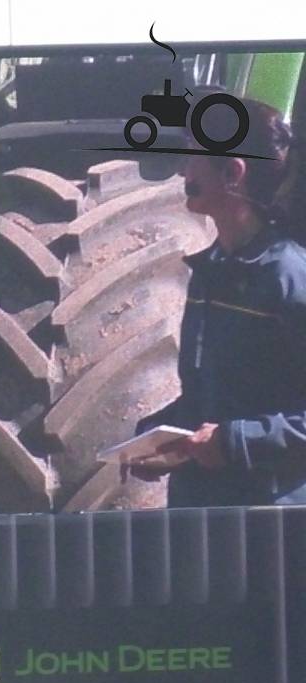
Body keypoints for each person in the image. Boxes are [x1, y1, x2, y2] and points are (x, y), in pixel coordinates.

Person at [130, 99, 306, 506]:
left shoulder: (291, 280)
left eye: (194, 158)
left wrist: (233, 441)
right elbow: (213, 400)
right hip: (203, 519)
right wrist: (160, 436)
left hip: (271, 528)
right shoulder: (210, 273)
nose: (182, 171)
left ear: (232, 174)